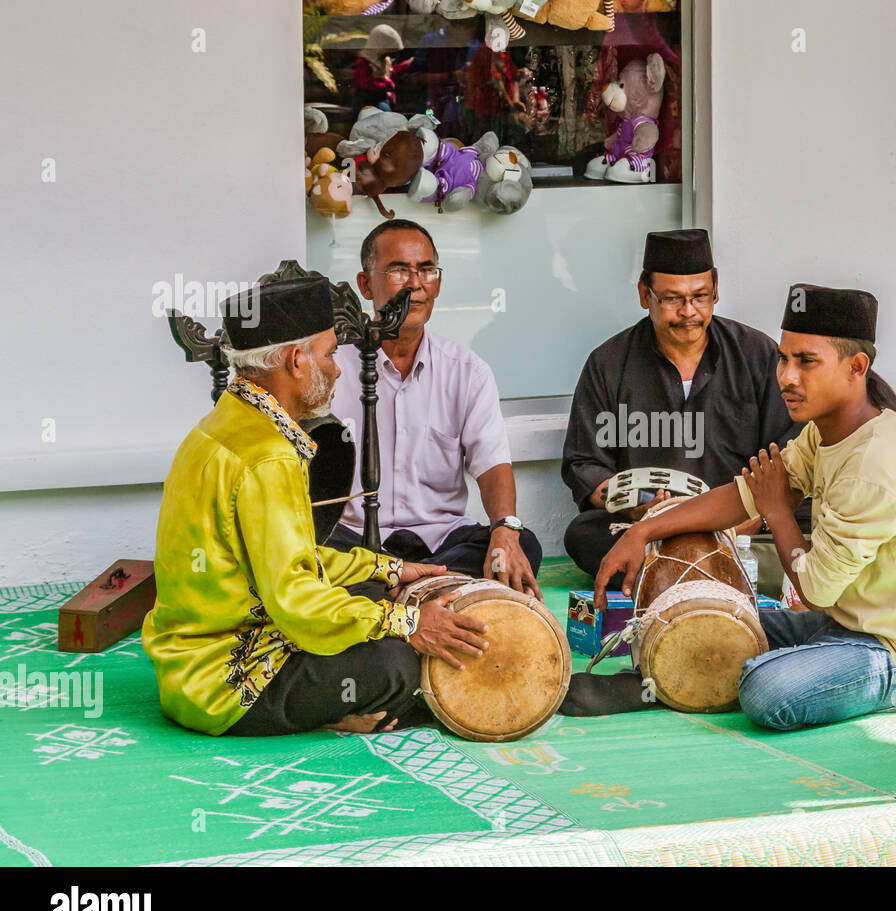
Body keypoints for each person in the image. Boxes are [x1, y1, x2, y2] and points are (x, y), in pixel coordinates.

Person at [586, 285, 896, 730]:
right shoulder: (825, 431)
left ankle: (767, 674)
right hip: (844, 624)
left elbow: (814, 592)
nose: (787, 377)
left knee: (764, 688)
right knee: (697, 624)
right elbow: (741, 496)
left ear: (856, 367)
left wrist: (777, 511)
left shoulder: (875, 464)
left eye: (806, 362)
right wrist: (642, 531)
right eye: (783, 359)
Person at [142, 276, 491, 737]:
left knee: (371, 594)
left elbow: (289, 560)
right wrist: (409, 622)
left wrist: (385, 569)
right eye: (329, 354)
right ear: (296, 360)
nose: (338, 370)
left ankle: (343, 702)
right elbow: (295, 600)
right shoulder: (269, 457)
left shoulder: (224, 423)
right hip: (223, 682)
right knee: (397, 662)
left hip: (185, 666)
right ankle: (338, 711)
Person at [561, 228, 802, 582]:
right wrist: (633, 506)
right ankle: (705, 568)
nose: (689, 312)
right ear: (645, 295)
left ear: (716, 290)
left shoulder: (757, 354)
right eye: (672, 299)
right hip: (649, 526)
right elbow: (584, 463)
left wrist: (757, 516)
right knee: (584, 534)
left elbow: (790, 452)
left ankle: (669, 573)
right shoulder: (609, 363)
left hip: (738, 524)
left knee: (806, 525)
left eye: (700, 297)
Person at [327, 220, 543, 597]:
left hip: (441, 543)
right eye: (398, 270)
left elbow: (492, 465)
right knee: (315, 556)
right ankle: (433, 591)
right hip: (355, 542)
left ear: (438, 283)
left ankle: (400, 592)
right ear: (365, 284)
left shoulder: (467, 371)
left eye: (426, 269)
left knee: (521, 546)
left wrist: (505, 530)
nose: (416, 283)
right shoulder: (332, 367)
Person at [352, 24, 414, 115]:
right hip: (368, 103)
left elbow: (389, 74)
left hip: (381, 99)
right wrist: (387, 84)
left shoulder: (383, 60)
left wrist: (405, 65)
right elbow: (366, 83)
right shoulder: (364, 62)